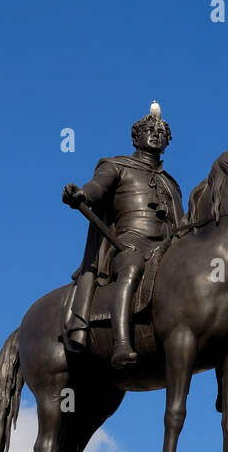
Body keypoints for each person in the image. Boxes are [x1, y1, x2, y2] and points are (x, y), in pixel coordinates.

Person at [62, 102, 184, 367]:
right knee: (131, 267)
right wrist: (82, 194)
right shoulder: (116, 165)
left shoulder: (171, 183)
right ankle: (121, 343)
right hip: (130, 241)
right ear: (136, 138)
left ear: (167, 143)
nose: (156, 135)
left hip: (167, 245)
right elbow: (96, 188)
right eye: (149, 130)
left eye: (161, 133)